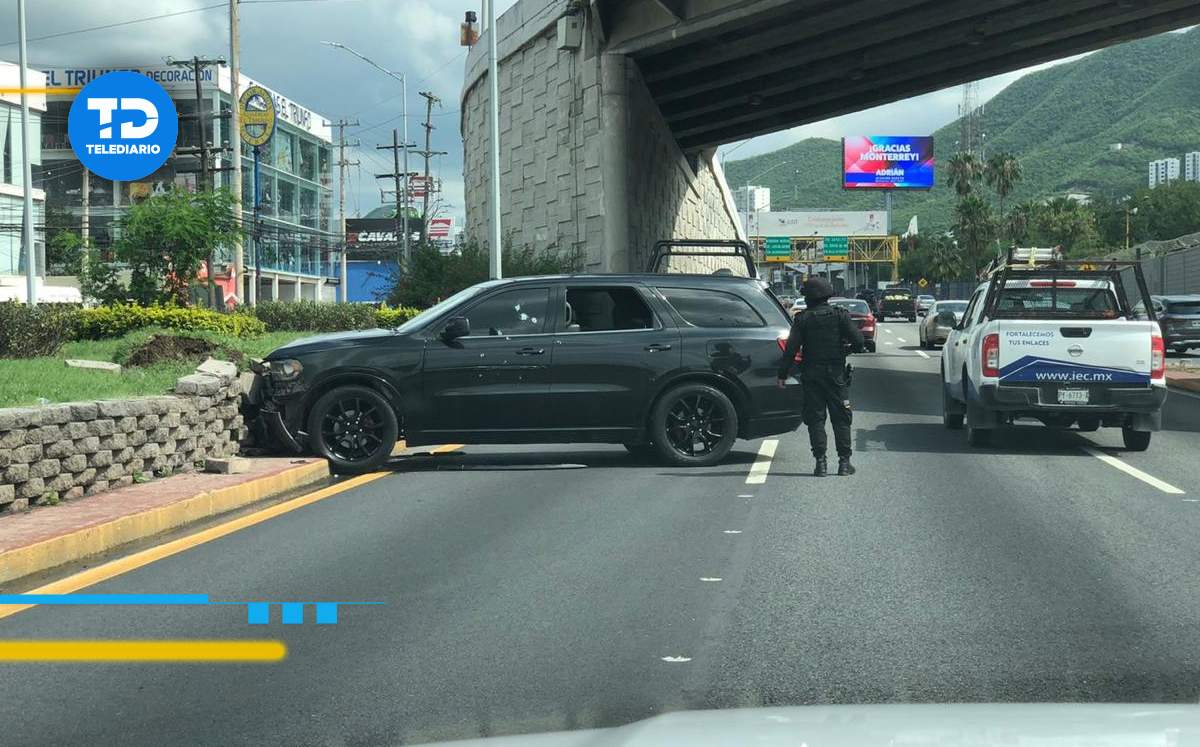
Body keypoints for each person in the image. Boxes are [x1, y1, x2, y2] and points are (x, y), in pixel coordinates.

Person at [777, 277, 865, 476]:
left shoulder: (802, 318)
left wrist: (782, 374)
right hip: (836, 375)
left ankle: (820, 463)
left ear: (807, 298)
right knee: (841, 418)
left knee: (815, 418)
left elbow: (790, 350)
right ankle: (844, 463)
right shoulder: (840, 315)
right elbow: (859, 341)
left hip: (811, 374)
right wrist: (846, 350)